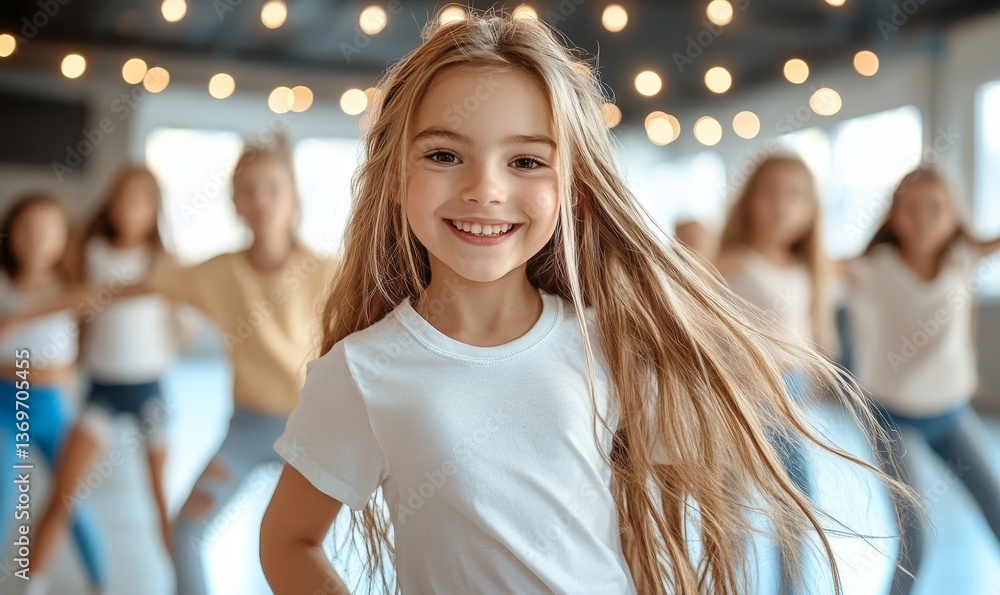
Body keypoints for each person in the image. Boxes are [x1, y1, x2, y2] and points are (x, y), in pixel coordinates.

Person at [260, 12, 914, 595]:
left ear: (574, 190)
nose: (485, 188)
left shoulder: (612, 344)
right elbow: (289, 539)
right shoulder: (363, 371)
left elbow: (701, 465)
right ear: (396, 179)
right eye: (443, 154)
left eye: (525, 162)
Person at [846, 166, 1000, 595]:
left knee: (997, 506)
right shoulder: (872, 268)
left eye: (935, 208)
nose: (923, 218)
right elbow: (807, 265)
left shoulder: (962, 258)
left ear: (953, 217)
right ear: (893, 217)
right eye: (910, 208)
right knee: (915, 537)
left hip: (950, 413)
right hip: (889, 418)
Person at [29, 166, 182, 590]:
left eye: (139, 199)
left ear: (154, 210)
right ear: (109, 203)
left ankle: (182, 583)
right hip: (103, 390)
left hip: (150, 391)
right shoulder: (91, 251)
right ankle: (33, 583)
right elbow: (71, 300)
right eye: (120, 196)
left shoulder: (164, 263)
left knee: (158, 496)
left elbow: (183, 324)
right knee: (63, 490)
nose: (127, 207)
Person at [0, 193, 109, 595]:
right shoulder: (2, 284)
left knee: (71, 499)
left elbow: (66, 363)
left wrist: (16, 329)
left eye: (48, 231)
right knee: (4, 496)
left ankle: (100, 584)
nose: (36, 239)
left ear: (65, 239)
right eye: (27, 228)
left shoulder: (71, 290)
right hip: (4, 407)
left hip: (51, 410)